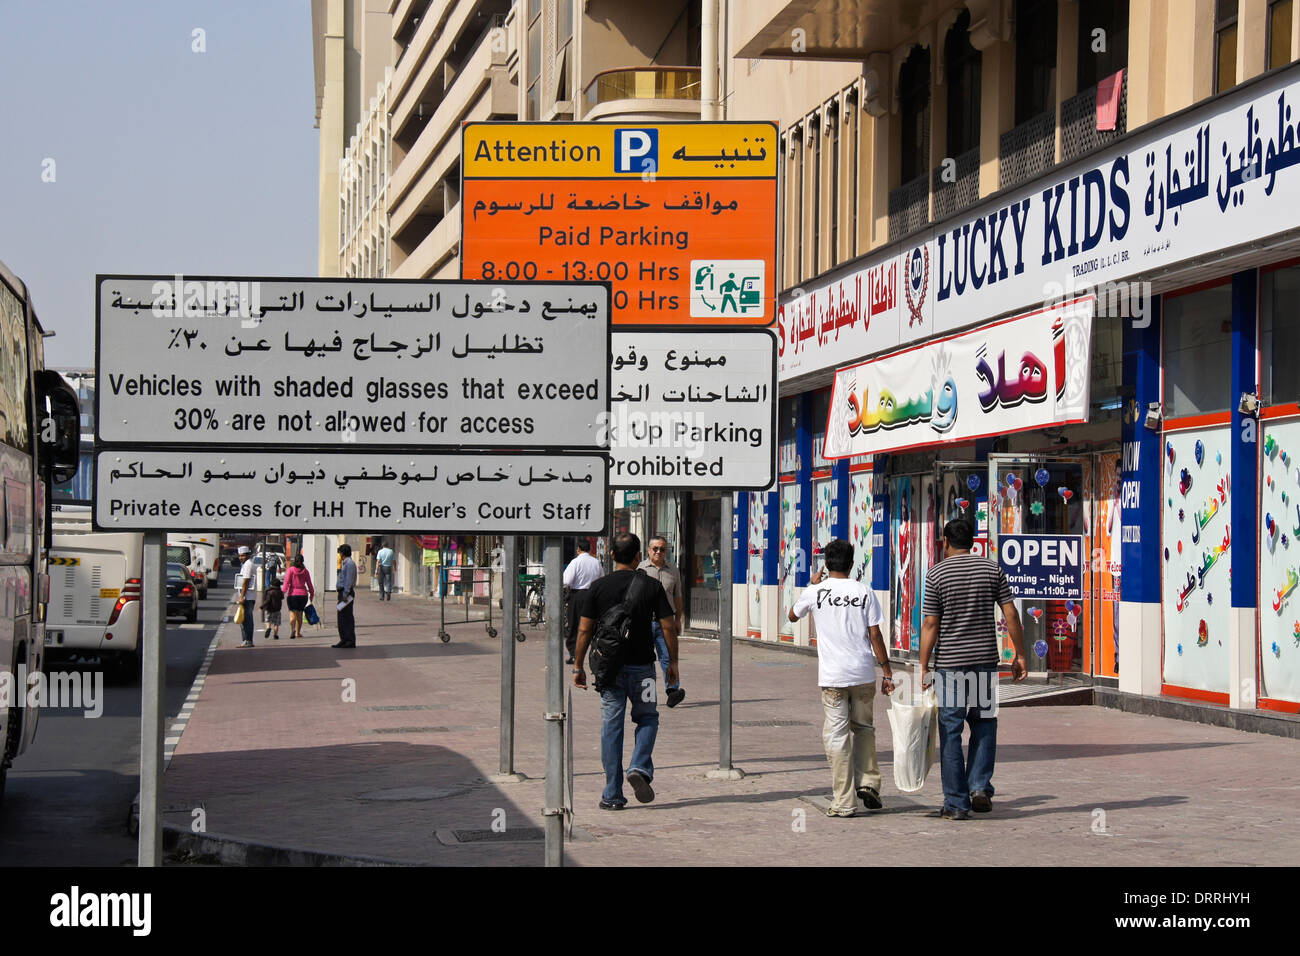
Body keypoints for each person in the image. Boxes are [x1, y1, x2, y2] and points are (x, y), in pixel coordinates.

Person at [919, 519, 1027, 820]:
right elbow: (1011, 612)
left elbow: (930, 623)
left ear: (945, 541)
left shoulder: (936, 574)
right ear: (973, 541)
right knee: (984, 723)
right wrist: (1020, 654)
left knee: (951, 730)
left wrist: (924, 665)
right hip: (983, 662)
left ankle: (956, 802)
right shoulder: (992, 569)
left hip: (951, 665)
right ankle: (979, 786)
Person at [789, 538, 895, 818]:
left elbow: (792, 616)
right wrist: (887, 671)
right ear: (851, 564)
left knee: (836, 736)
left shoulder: (815, 592)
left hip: (833, 678)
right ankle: (869, 783)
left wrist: (812, 586)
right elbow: (875, 635)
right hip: (862, 674)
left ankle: (844, 801)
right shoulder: (864, 591)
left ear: (826, 564)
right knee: (864, 728)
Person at [572, 532, 678, 810]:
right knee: (648, 718)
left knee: (612, 727)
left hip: (609, 670)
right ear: (637, 557)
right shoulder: (651, 586)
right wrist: (673, 664)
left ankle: (612, 794)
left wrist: (578, 665)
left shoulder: (597, 587)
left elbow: (584, 629)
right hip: (642, 668)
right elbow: (668, 627)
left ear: (611, 555)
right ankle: (639, 767)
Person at [638, 535, 686, 707]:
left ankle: (672, 691)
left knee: (668, 657)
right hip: (643, 622)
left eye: (662, 549)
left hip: (665, 623)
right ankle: (646, 694)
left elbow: (677, 596)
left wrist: (678, 619)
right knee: (645, 660)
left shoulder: (673, 570)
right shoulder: (640, 569)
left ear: (666, 551)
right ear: (649, 550)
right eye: (655, 549)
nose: (658, 552)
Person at [561, 538, 602, 664]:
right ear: (589, 549)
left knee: (574, 625)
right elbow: (602, 578)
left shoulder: (575, 562)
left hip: (577, 595)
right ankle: (596, 652)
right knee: (593, 625)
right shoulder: (596, 562)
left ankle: (574, 654)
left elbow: (566, 581)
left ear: (578, 549)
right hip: (593, 595)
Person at [282, 552, 315, 639]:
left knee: (292, 614)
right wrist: (311, 595)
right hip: (303, 595)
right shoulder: (305, 571)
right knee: (300, 615)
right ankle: (298, 633)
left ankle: (292, 629)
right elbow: (310, 584)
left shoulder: (291, 570)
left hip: (292, 594)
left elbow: (286, 582)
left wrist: (283, 592)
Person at [334, 543, 358, 649]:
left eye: (339, 552)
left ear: (342, 553)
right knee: (341, 617)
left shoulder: (350, 564)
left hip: (346, 593)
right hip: (342, 593)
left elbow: (349, 580)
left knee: (347, 617)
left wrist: (345, 593)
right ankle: (343, 639)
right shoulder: (345, 563)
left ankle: (349, 640)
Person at [234, 546, 256, 648]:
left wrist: (242, 597)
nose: (241, 557)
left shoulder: (248, 565)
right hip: (247, 596)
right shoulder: (245, 564)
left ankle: (248, 640)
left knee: (247, 619)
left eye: (243, 555)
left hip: (248, 597)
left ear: (248, 555)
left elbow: (246, 581)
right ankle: (246, 640)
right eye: (240, 556)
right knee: (244, 619)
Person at [261, 575, 284, 641]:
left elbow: (267, 601)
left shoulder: (269, 592)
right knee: (276, 623)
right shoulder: (280, 592)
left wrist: (262, 606)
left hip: (269, 609)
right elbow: (282, 598)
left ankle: (268, 628)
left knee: (268, 621)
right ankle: (275, 635)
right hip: (277, 610)